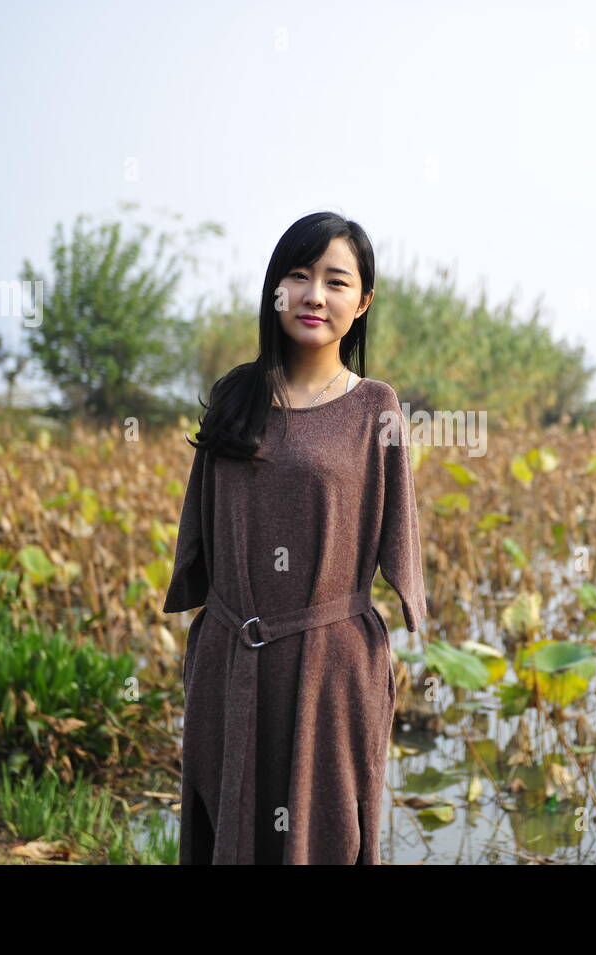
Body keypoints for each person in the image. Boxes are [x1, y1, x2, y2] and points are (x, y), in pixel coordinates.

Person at [164, 210, 428, 864]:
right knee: (226, 825)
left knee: (319, 837)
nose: (315, 295)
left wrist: (413, 603)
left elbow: (401, 536)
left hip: (327, 670)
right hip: (229, 658)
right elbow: (200, 522)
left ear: (362, 301)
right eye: (298, 275)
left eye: (337, 281)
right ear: (274, 290)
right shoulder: (235, 395)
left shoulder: (375, 407)